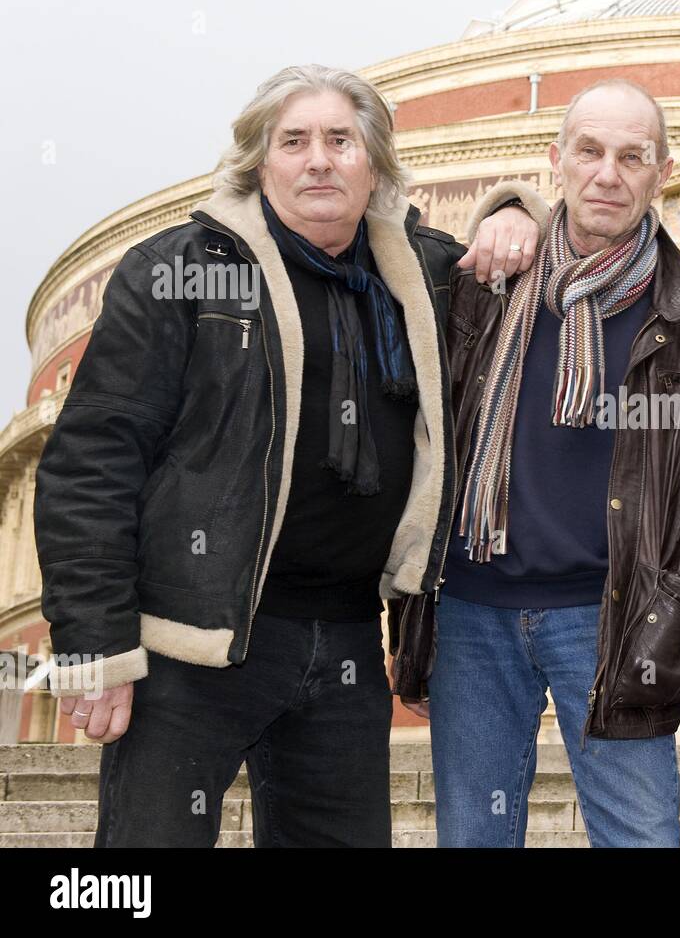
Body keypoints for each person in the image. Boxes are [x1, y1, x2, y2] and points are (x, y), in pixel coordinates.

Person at [33, 64, 544, 847]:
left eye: (341, 140)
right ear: (258, 161)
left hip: (343, 640)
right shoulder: (176, 272)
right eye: (294, 141)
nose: (319, 160)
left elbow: (537, 274)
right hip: (190, 639)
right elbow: (91, 462)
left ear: (373, 160)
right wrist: (94, 642)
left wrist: (517, 209)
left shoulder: (420, 274)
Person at [390, 79, 680, 847]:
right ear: (555, 161)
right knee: (472, 837)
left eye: (633, 157)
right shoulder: (481, 285)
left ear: (663, 173)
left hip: (615, 620)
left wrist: (675, 608)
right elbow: (373, 235)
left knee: (640, 837)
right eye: (590, 151)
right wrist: (502, 206)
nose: (609, 173)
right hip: (472, 612)